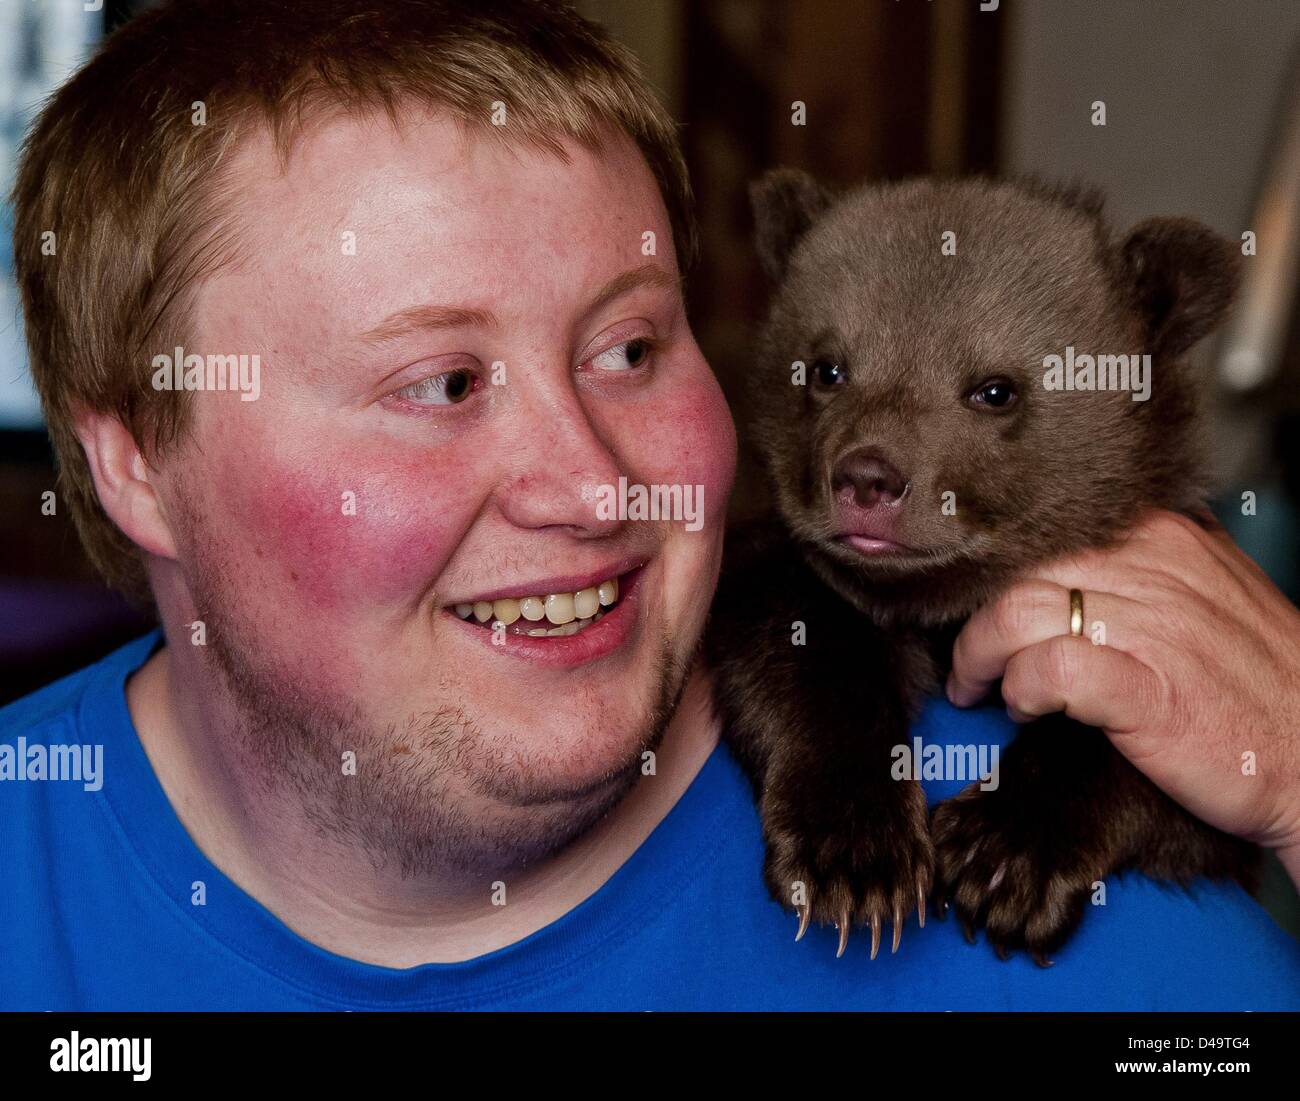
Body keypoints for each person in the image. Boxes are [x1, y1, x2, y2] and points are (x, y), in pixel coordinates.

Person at [1, 0, 1297, 1010]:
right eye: (441, 382)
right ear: (137, 465)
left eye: (628, 349)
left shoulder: (1089, 894)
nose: (597, 481)